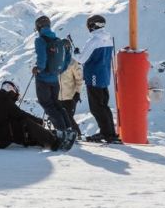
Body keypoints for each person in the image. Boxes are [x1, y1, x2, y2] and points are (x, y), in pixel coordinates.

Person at [0, 81, 70, 151]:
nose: (15, 99)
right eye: (16, 95)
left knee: (14, 123)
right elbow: (21, 114)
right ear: (11, 90)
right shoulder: (6, 101)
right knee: (24, 121)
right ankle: (54, 142)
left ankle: (42, 137)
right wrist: (38, 121)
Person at [31, 16, 74, 141]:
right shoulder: (59, 41)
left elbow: (42, 59)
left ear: (39, 27)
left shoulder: (40, 40)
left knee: (47, 104)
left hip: (43, 79)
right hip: (55, 80)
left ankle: (61, 133)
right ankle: (69, 129)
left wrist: (38, 68)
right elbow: (65, 62)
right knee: (57, 105)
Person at [82, 14, 120, 143]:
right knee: (103, 105)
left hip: (94, 75)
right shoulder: (108, 38)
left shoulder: (94, 40)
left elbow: (82, 59)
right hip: (104, 75)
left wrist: (74, 53)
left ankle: (107, 134)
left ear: (92, 25)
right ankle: (109, 132)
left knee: (96, 107)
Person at [58, 53, 84, 138]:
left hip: (70, 97)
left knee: (68, 117)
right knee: (59, 117)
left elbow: (79, 79)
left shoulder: (73, 62)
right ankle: (65, 134)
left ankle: (77, 134)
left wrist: (77, 92)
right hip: (58, 96)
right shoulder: (55, 60)